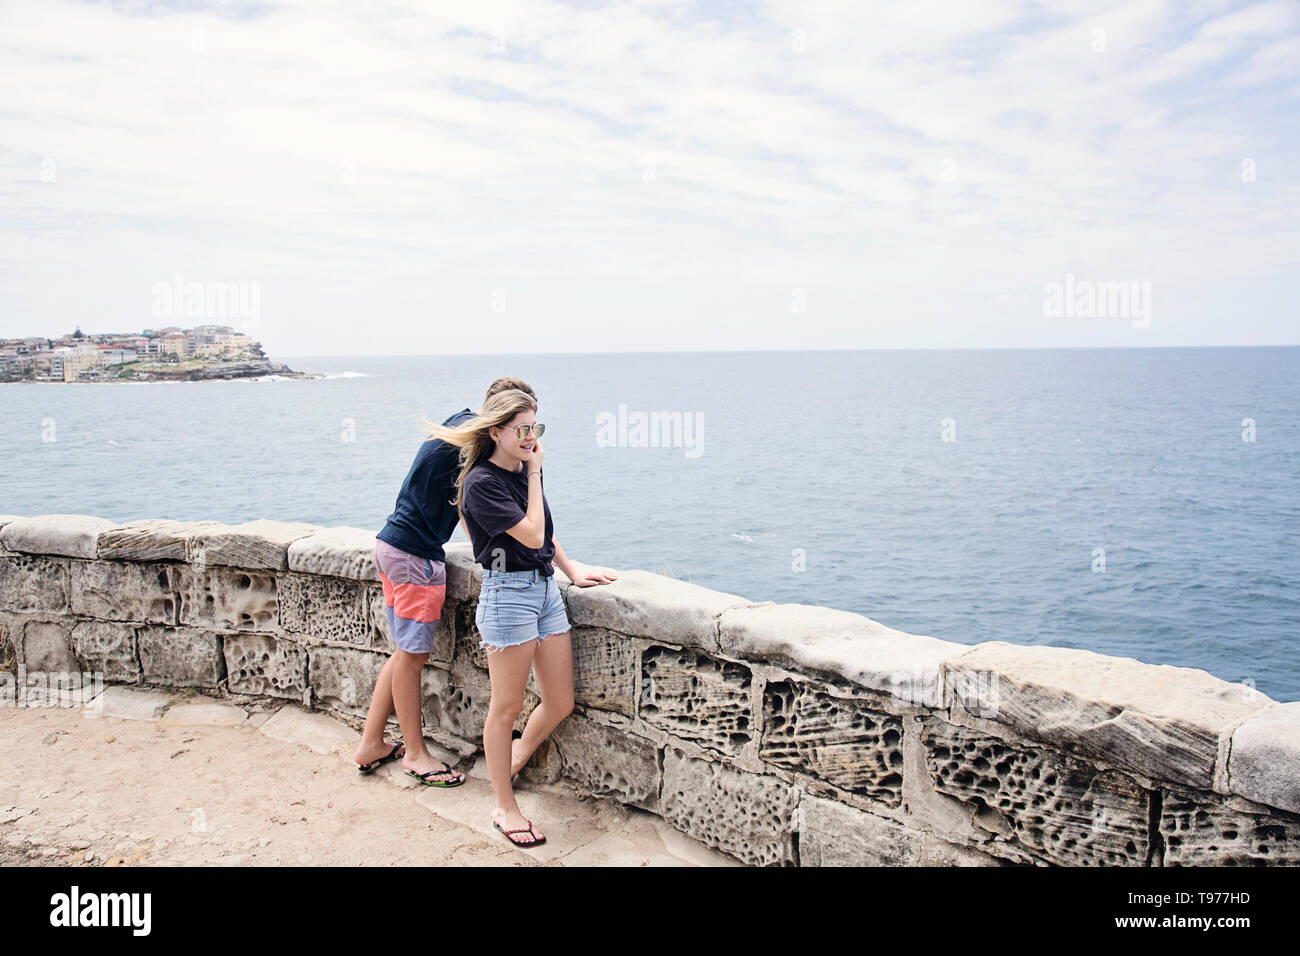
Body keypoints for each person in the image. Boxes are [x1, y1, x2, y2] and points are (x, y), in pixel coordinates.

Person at [429, 388, 617, 847]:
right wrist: (535, 470)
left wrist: (573, 570)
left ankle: (516, 755)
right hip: (507, 595)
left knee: (560, 701)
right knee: (506, 707)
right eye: (522, 429)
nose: (531, 437)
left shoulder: (518, 473)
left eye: (536, 428)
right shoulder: (482, 483)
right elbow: (531, 535)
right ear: (495, 432)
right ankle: (504, 807)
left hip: (543, 590)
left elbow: (545, 534)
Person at [353, 377, 538, 788]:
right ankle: (415, 755)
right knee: (410, 657)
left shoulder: (459, 423)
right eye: (518, 425)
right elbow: (483, 510)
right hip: (416, 557)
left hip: (391, 545)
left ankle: (371, 743)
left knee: (402, 653)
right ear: (498, 421)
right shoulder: (473, 444)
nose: (525, 435)